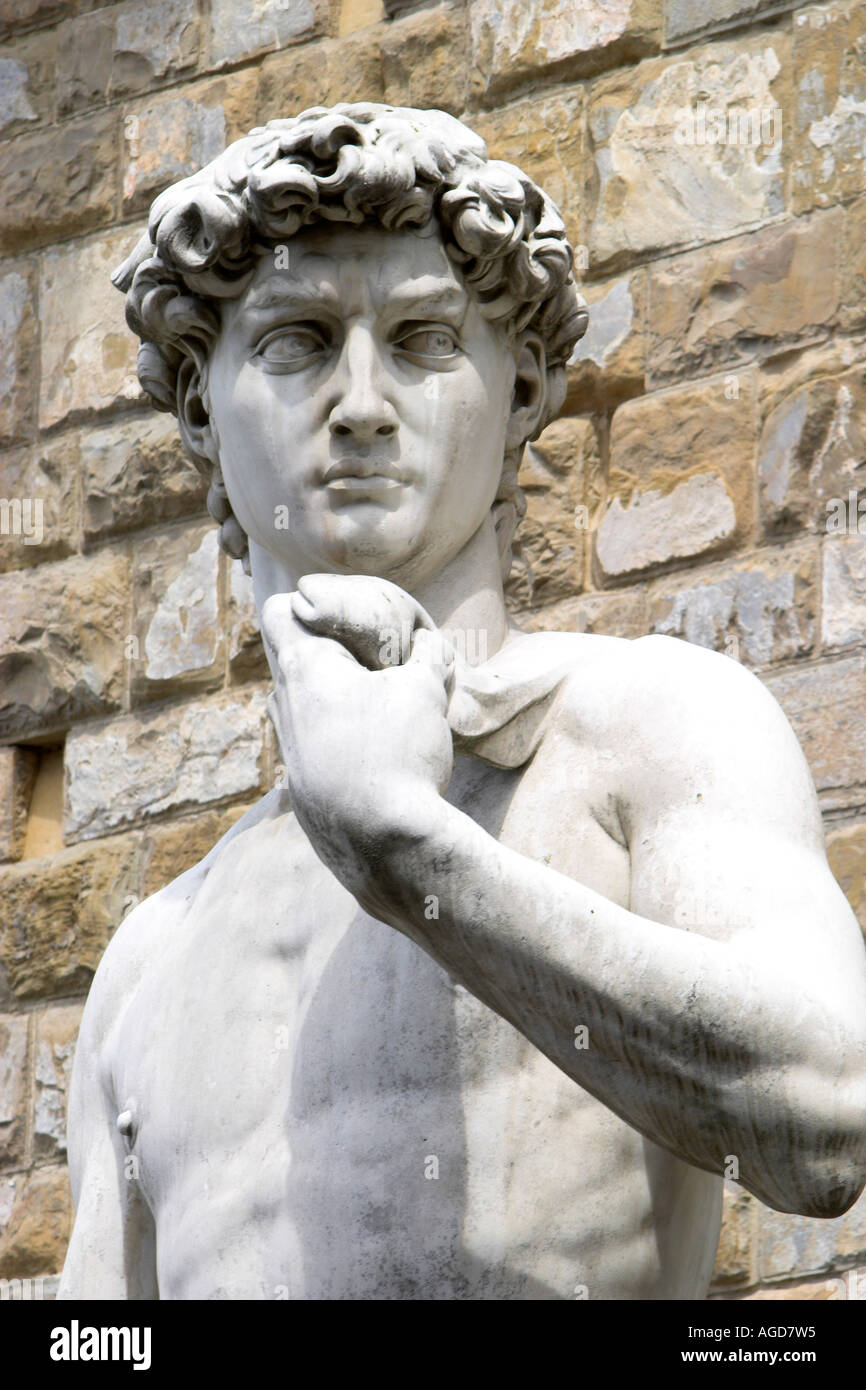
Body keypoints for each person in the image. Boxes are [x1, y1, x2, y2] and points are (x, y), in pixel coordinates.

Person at [59, 104, 866, 1301]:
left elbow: (824, 1117)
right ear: (195, 409)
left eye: (427, 339)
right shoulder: (150, 962)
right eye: (297, 341)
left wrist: (413, 856)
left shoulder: (644, 728)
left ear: (522, 385)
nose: (364, 402)